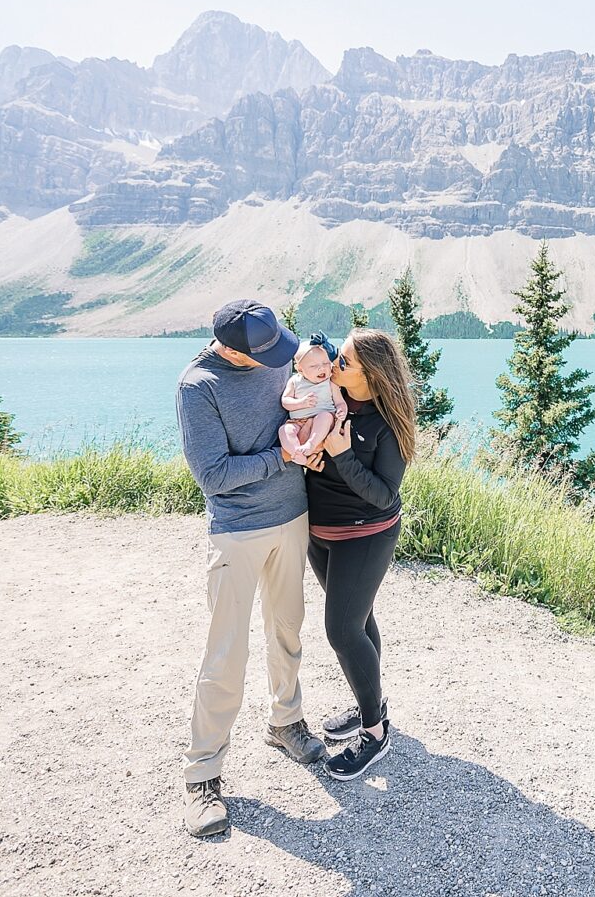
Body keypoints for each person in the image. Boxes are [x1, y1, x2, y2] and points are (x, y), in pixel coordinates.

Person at [176, 299, 327, 838]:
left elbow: (307, 398)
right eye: (265, 354)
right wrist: (282, 459)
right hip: (238, 530)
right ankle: (203, 774)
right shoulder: (199, 387)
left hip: (293, 517)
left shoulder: (277, 356)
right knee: (226, 653)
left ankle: (285, 722)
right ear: (232, 349)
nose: (278, 361)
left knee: (287, 631)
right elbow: (212, 475)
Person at [300, 328, 418, 781]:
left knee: (342, 630)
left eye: (344, 362)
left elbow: (384, 497)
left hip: (366, 535)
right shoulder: (330, 400)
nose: (333, 365)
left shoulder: (389, 422)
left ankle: (375, 731)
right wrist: (309, 459)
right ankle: (372, 699)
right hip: (321, 534)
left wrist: (343, 455)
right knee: (360, 621)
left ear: (371, 374)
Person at [279, 332, 348, 463]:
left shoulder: (330, 383)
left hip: (324, 421)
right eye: (314, 366)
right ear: (300, 369)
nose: (321, 368)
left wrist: (341, 411)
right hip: (298, 422)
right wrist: (300, 403)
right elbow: (285, 401)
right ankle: (296, 452)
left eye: (326, 363)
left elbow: (340, 403)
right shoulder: (294, 381)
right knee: (285, 430)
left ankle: (310, 445)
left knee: (325, 417)